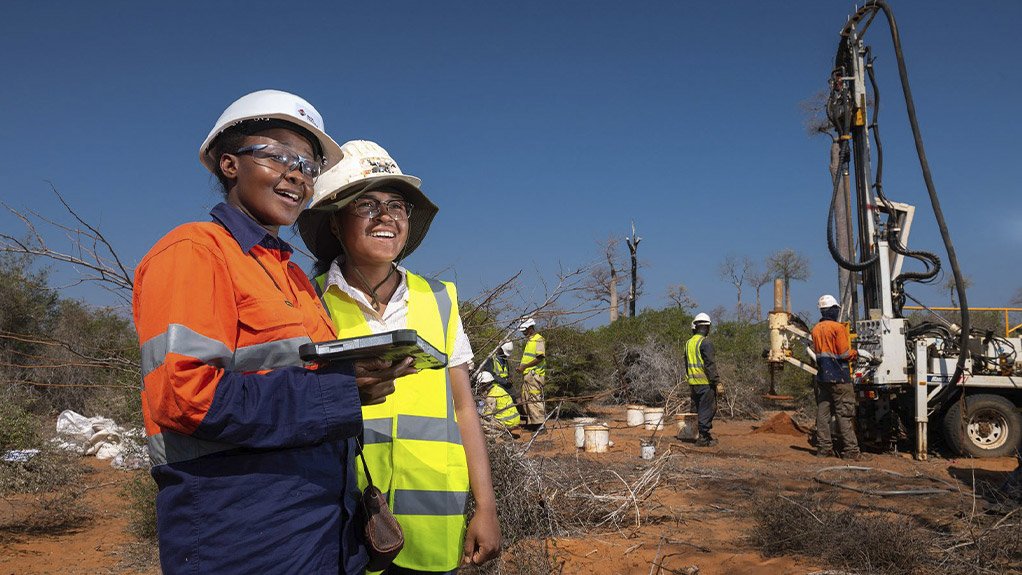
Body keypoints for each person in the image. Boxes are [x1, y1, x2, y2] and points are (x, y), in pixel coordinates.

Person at [133, 90, 411, 574]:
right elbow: (184, 396)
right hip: (240, 526)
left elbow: (302, 377)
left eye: (307, 164)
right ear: (228, 165)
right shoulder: (194, 252)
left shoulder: (293, 275)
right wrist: (340, 393)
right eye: (277, 156)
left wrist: (361, 379)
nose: (296, 173)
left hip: (320, 517)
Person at [297, 140, 501, 572]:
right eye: (366, 204)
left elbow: (464, 407)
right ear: (335, 223)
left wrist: (486, 506)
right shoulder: (306, 300)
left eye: (396, 205)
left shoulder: (440, 300)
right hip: (340, 517)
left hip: (432, 519)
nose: (386, 216)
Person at [811, 294, 866, 460]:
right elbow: (844, 354)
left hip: (823, 378)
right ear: (834, 310)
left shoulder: (816, 329)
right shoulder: (837, 328)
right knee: (845, 414)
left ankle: (824, 448)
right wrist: (858, 354)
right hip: (839, 378)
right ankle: (851, 451)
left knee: (823, 413)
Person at [683, 312, 721, 447]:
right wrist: (717, 382)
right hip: (705, 383)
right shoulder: (705, 343)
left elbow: (686, 364)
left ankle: (700, 434)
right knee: (707, 409)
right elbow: (710, 364)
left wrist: (690, 379)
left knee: (698, 409)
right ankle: (703, 438)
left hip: (693, 383)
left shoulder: (689, 343)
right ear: (707, 327)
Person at [516, 318, 547, 429]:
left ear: (530, 328)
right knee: (527, 399)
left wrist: (524, 366)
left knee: (535, 398)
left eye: (525, 330)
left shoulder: (538, 339)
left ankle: (540, 426)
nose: (524, 333)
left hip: (534, 375)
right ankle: (533, 424)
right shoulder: (530, 340)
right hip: (528, 374)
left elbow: (540, 358)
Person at [477, 370, 521, 436]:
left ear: (483, 384)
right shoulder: (499, 389)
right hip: (515, 420)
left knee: (479, 423)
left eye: (480, 385)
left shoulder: (491, 396)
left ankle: (498, 434)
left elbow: (487, 416)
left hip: (507, 422)